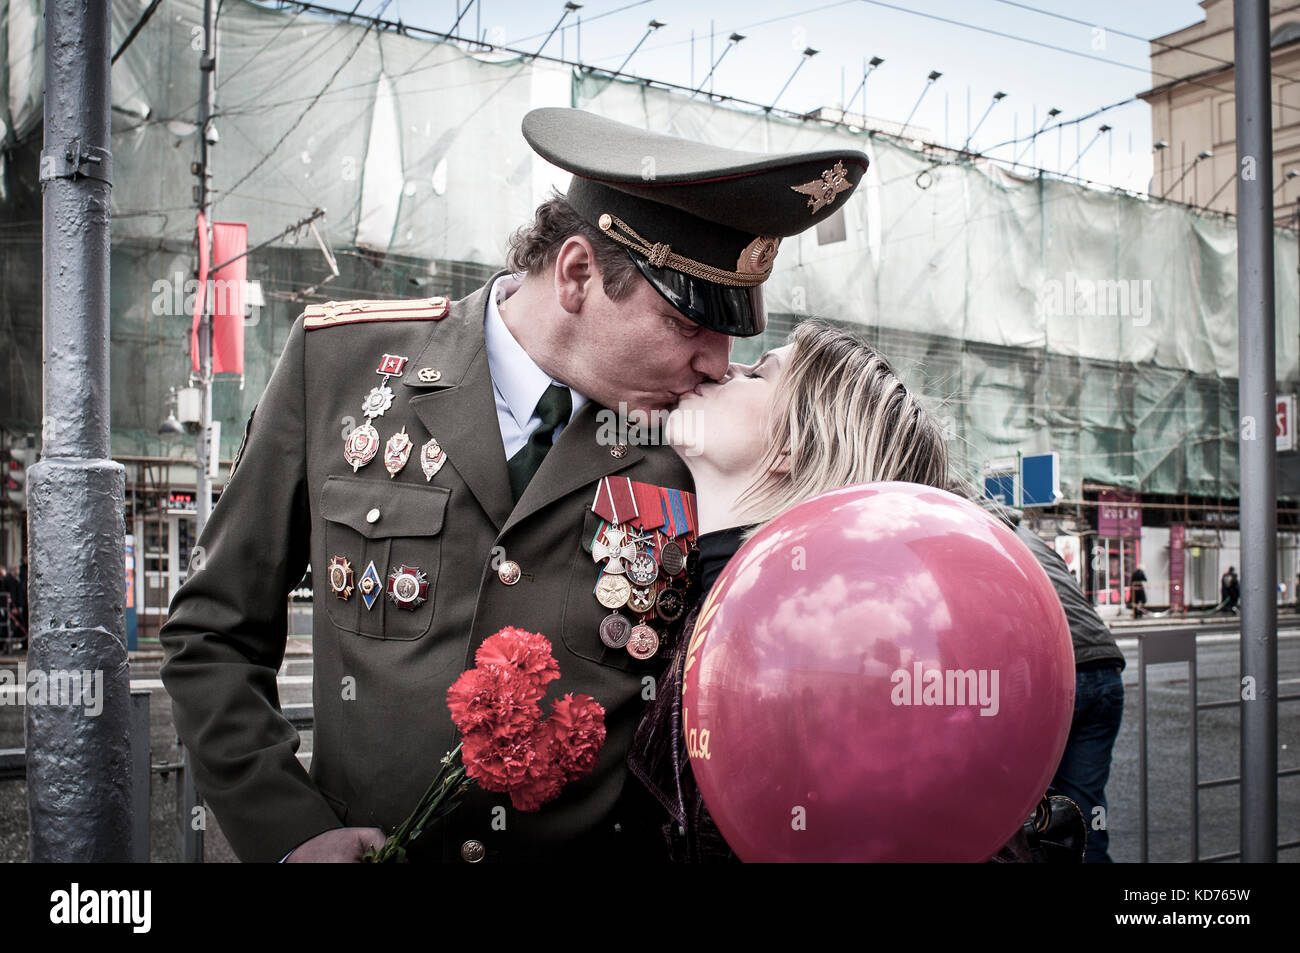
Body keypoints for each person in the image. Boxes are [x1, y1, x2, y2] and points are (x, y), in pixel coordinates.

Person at [158, 107, 868, 862]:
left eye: (730, 335)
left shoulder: (690, 454)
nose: (717, 364)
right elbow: (213, 633)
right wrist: (288, 833)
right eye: (686, 323)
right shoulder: (339, 364)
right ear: (576, 275)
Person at [627, 321, 1045, 861]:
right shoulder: (715, 593)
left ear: (793, 444)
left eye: (759, 374)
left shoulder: (815, 653)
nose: (726, 367)